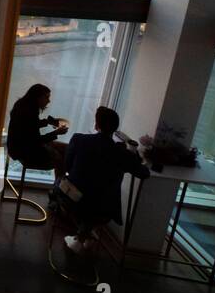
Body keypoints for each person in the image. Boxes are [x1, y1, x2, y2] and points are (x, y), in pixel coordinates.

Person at [60, 106, 149, 254]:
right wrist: (134, 157)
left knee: (84, 195)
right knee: (97, 198)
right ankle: (84, 236)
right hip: (103, 209)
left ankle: (81, 237)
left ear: (96, 125)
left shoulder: (79, 139)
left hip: (72, 199)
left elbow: (68, 167)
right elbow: (144, 173)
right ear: (115, 129)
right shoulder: (120, 153)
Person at [6, 83, 68, 178]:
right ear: (38, 97)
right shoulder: (30, 112)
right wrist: (56, 133)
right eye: (46, 97)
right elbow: (36, 141)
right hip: (25, 152)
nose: (49, 101)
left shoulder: (22, 106)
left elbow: (29, 127)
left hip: (17, 148)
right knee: (61, 158)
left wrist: (48, 122)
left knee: (66, 149)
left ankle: (61, 186)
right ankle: (60, 187)